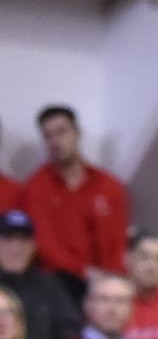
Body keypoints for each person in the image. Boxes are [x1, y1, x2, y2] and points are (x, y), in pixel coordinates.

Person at [24, 105, 128, 287]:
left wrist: (113, 279)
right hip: (57, 283)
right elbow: (44, 245)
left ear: (77, 133)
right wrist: (85, 272)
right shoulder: (36, 187)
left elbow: (118, 242)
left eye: (61, 132)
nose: (55, 141)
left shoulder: (109, 185)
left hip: (106, 281)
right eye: (48, 136)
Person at [0, 208, 82, 339]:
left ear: (34, 247)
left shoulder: (50, 286)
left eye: (24, 240)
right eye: (8, 239)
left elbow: (71, 338)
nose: (16, 248)